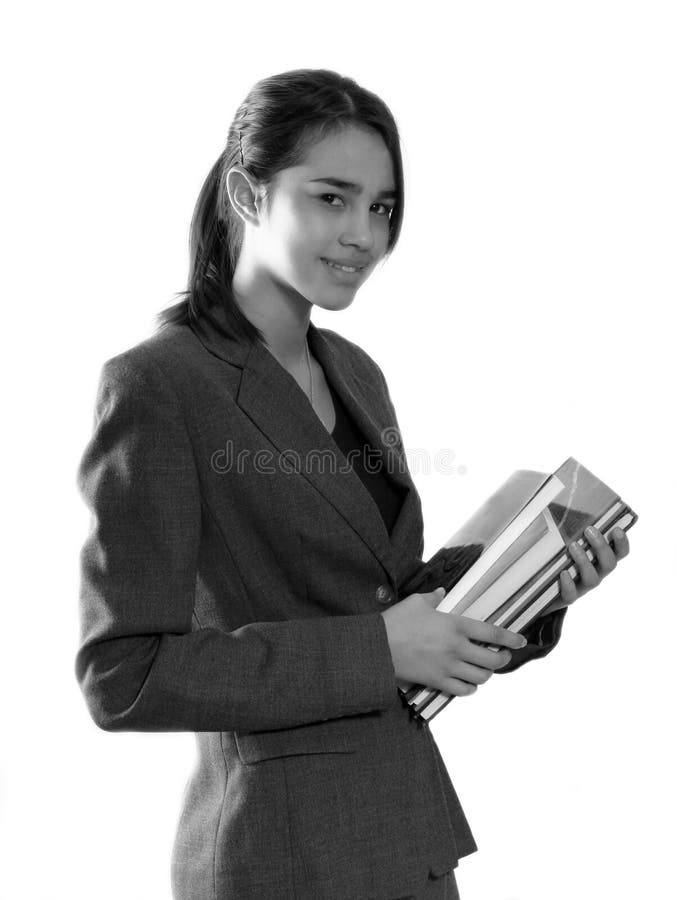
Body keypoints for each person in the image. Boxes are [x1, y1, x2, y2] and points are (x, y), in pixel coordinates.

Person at [74, 68, 630, 900]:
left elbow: (383, 599)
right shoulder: (160, 386)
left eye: (381, 207)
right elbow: (124, 676)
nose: (363, 235)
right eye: (331, 198)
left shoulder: (355, 375)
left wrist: (534, 584)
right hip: (280, 854)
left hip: (407, 834)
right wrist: (378, 649)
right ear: (247, 194)